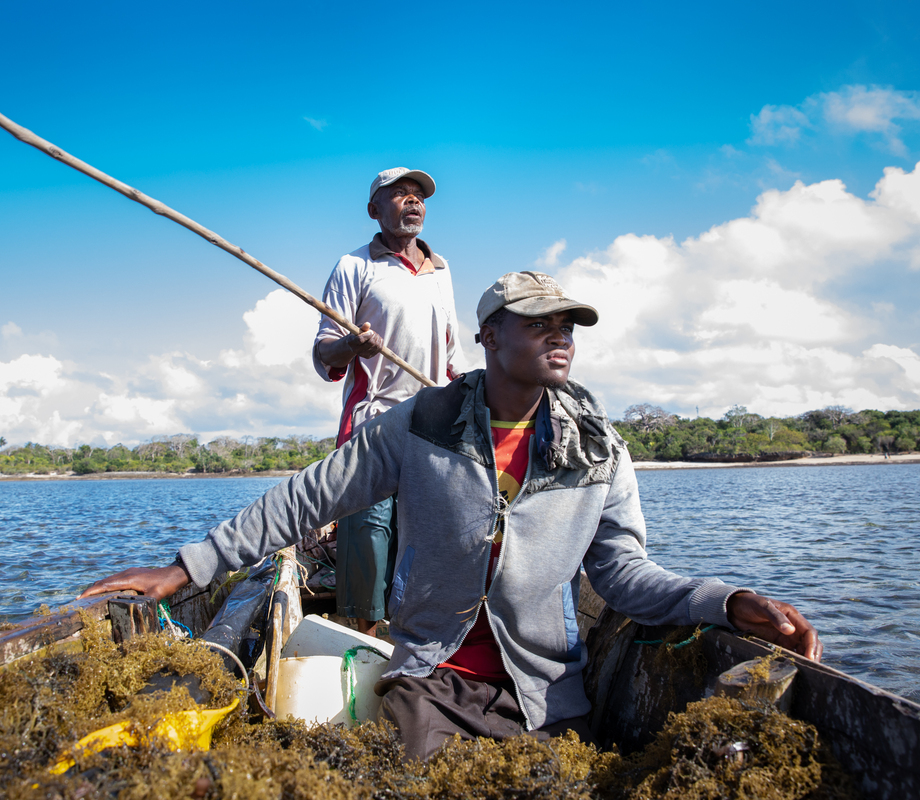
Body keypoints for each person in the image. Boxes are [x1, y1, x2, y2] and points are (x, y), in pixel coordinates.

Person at [80, 271, 821, 762]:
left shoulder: (599, 449)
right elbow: (308, 496)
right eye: (539, 323)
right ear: (489, 336)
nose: (560, 335)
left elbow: (624, 576)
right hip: (432, 679)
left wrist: (726, 602)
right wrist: (188, 567)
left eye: (569, 325)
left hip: (545, 691)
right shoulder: (421, 423)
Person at [310, 167, 462, 636]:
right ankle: (363, 636)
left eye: (419, 196)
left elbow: (452, 354)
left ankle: (417, 635)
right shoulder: (355, 266)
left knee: (427, 537)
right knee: (369, 537)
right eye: (399, 195)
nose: (412, 202)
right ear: (374, 210)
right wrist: (353, 346)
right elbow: (323, 353)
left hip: (433, 424)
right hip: (373, 422)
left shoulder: (441, 269)